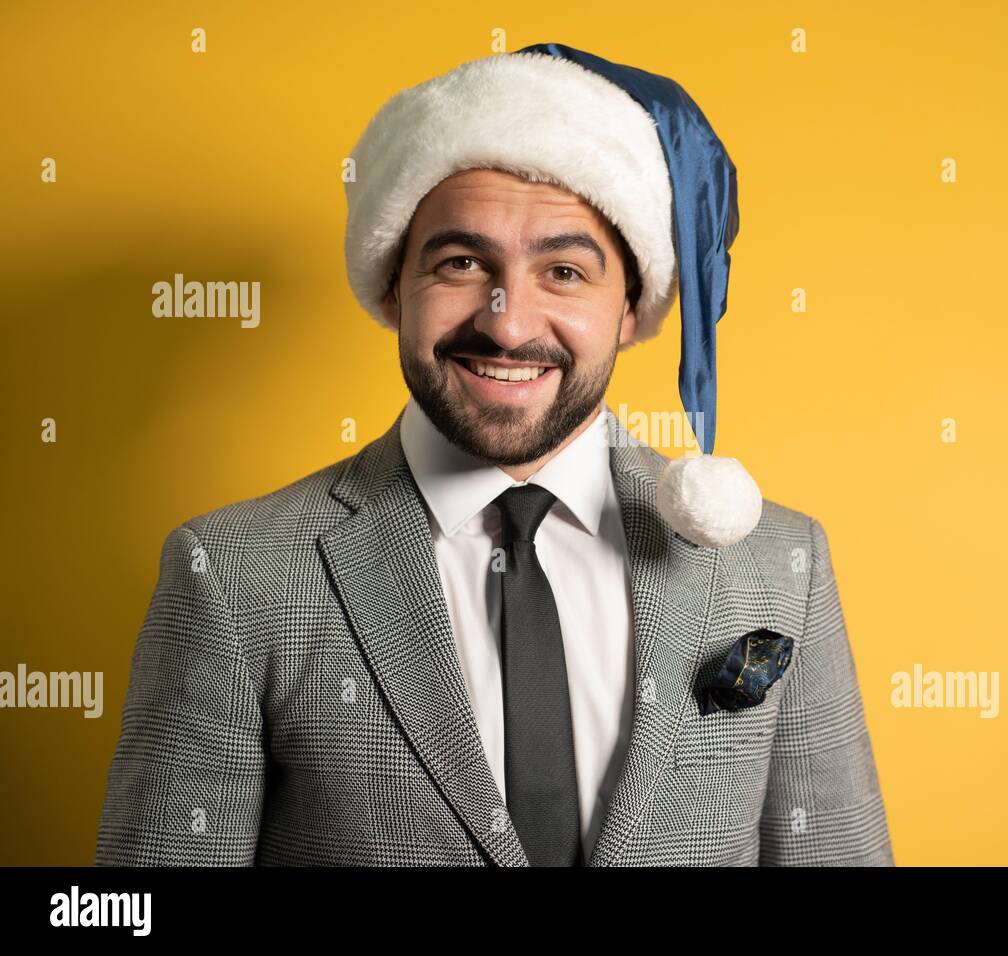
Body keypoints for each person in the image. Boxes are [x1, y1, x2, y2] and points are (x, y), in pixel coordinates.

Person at [94, 43, 894, 866]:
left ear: (631, 307)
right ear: (392, 285)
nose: (509, 323)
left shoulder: (780, 564)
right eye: (462, 262)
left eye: (565, 270)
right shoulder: (232, 576)